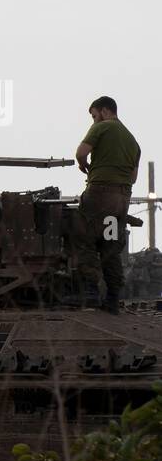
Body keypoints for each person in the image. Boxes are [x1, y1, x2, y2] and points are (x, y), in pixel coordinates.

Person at [74, 96, 141, 313]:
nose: (93, 120)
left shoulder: (102, 127)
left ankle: (91, 292)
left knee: (85, 240)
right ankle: (112, 298)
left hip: (99, 195)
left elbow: (81, 153)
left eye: (94, 115)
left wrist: (84, 165)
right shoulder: (133, 142)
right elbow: (133, 177)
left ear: (104, 111)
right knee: (110, 245)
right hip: (120, 201)